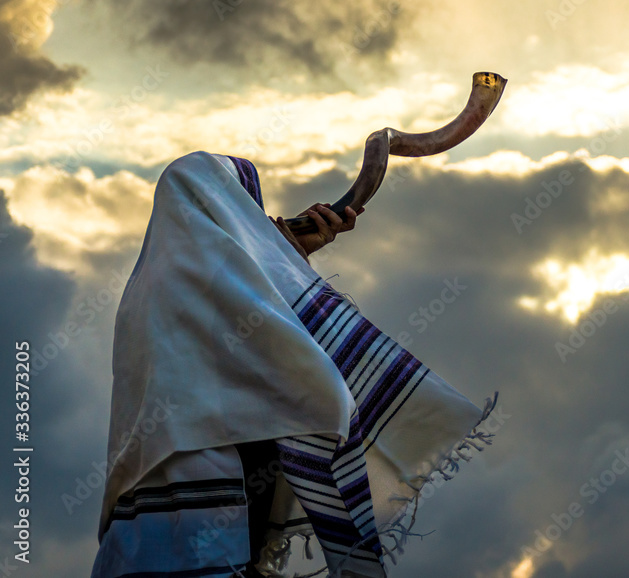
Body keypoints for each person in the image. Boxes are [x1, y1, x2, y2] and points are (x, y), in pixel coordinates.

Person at [91, 152, 497, 578]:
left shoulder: (168, 284)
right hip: (198, 514)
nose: (257, 223)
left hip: (198, 521)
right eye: (246, 211)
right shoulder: (181, 281)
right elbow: (260, 329)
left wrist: (288, 256)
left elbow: (253, 325)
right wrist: (279, 258)